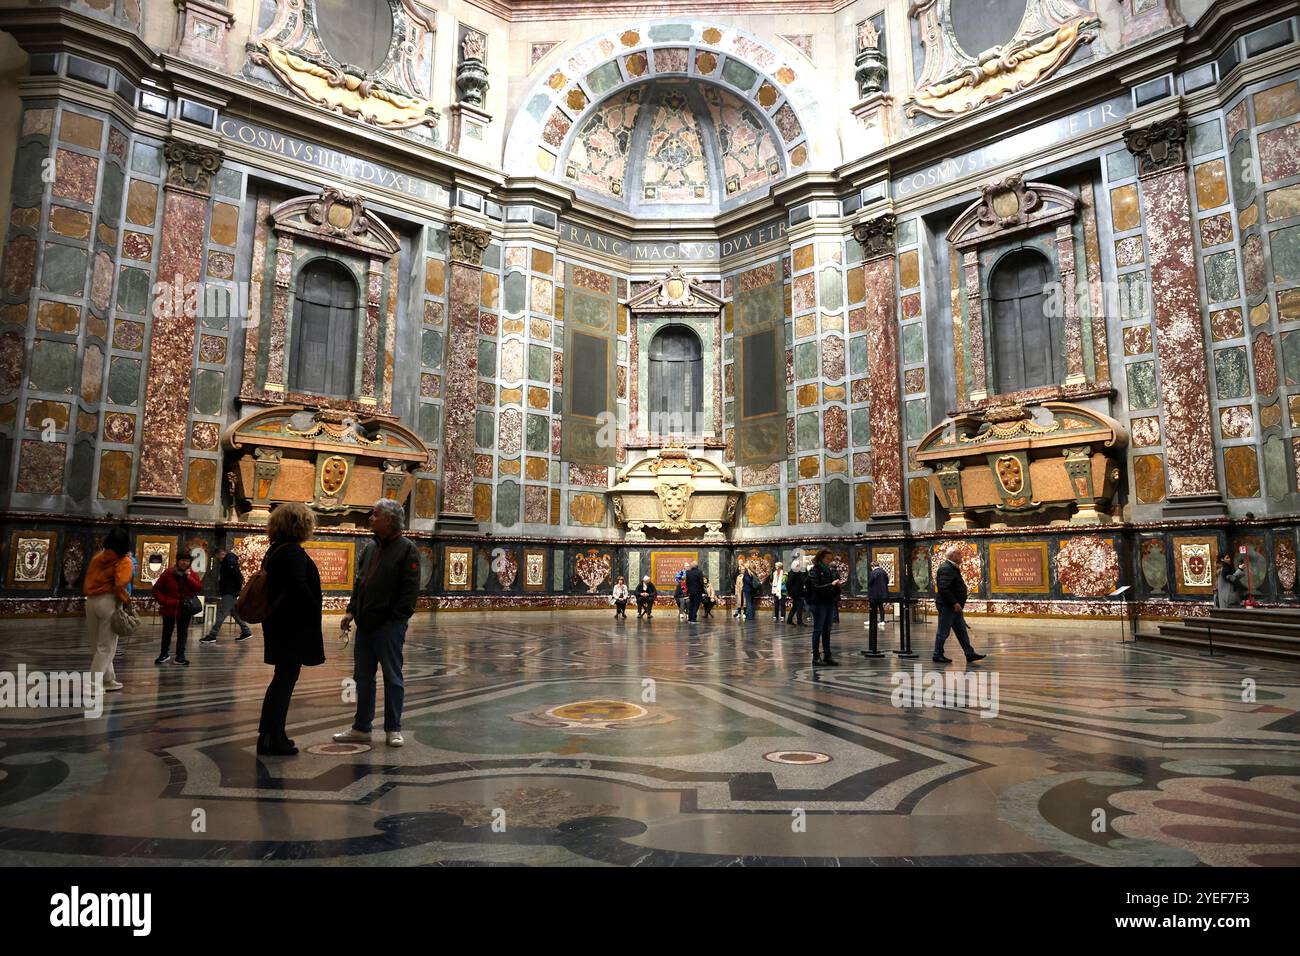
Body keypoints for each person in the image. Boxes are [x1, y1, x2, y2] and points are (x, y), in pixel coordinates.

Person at [333, 498, 420, 748]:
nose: (371, 519)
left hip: (389, 627)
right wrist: (351, 612)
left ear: (390, 520)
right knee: (362, 678)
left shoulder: (407, 549)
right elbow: (360, 583)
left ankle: (393, 728)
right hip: (366, 625)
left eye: (376, 515)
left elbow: (409, 592)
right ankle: (361, 727)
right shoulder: (370, 547)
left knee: (393, 677)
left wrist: (394, 619)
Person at [257, 502, 324, 756]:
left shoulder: (275, 549)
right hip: (291, 627)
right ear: (299, 524)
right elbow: (298, 586)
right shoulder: (293, 552)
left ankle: (274, 734)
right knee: (284, 681)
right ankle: (271, 738)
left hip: (278, 624)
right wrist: (313, 606)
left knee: (282, 679)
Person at [83, 526, 133, 692]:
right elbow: (121, 583)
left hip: (90, 602)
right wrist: (125, 599)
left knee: (97, 643)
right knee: (107, 646)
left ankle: (108, 679)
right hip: (108, 602)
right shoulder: (123, 561)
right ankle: (92, 684)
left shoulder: (97, 558)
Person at [933, 546, 986, 664]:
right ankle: (937, 654)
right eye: (959, 554)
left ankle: (969, 653)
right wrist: (954, 602)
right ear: (952, 556)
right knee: (943, 632)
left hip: (954, 607)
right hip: (948, 606)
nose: (961, 556)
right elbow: (943, 588)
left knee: (961, 631)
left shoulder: (952, 567)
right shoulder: (946, 568)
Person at [153, 551, 202, 666]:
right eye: (182, 560)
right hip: (169, 607)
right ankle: (163, 654)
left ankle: (180, 656)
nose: (184, 563)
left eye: (187, 560)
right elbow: (156, 589)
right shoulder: (168, 573)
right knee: (167, 632)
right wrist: (163, 601)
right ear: (177, 561)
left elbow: (198, 587)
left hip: (184, 608)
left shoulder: (192, 573)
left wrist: (189, 577)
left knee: (182, 632)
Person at [201, 547, 253, 644]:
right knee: (234, 612)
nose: (218, 559)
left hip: (229, 592)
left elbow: (239, 576)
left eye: (217, 557)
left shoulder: (229, 562)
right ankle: (246, 631)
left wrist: (236, 590)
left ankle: (212, 635)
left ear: (221, 554)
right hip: (230, 591)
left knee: (221, 613)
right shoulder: (228, 562)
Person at [807, 550, 839, 665]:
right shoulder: (814, 571)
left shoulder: (829, 571)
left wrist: (836, 586)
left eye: (831, 559)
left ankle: (827, 655)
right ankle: (816, 657)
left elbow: (831, 587)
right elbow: (816, 587)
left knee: (827, 630)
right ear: (821, 558)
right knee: (818, 630)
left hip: (829, 602)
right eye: (827, 559)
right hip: (819, 603)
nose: (829, 561)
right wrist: (831, 584)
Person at [867, 558, 890, 648]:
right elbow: (887, 581)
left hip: (875, 593)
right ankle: (882, 620)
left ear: (873, 566)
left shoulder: (873, 573)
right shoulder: (883, 572)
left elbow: (870, 583)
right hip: (883, 593)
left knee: (873, 607)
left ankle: (873, 620)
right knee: (881, 607)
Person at [785, 558, 807, 625]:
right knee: (800, 606)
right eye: (799, 565)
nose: (800, 566)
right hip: (796, 593)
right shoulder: (793, 573)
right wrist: (791, 592)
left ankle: (789, 620)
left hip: (798, 592)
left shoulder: (798, 572)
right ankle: (799, 621)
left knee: (795, 607)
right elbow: (788, 583)